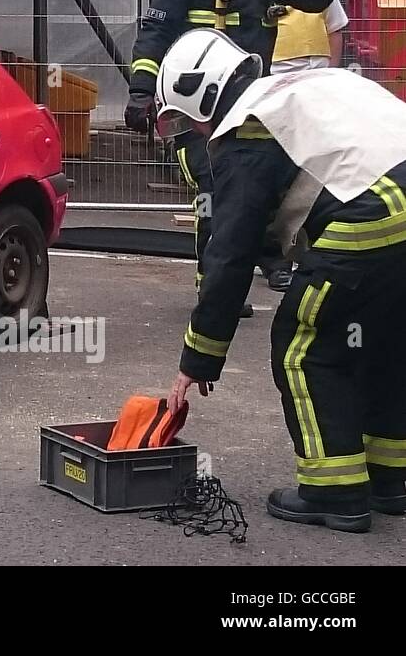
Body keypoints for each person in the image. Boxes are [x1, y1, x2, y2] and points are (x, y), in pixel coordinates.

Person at [157, 29, 406, 533]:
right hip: (393, 207)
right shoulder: (307, 86)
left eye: (186, 121)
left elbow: (229, 253)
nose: (195, 134)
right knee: (381, 338)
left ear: (204, 97)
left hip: (376, 213)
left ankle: (334, 492)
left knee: (303, 343)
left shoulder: (246, 129)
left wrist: (198, 358)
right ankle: (390, 478)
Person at [125, 0, 336, 305]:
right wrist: (141, 92)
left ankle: (249, 275)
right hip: (194, 116)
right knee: (215, 192)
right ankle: (215, 290)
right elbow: (155, 32)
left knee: (255, 196)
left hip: (252, 111)